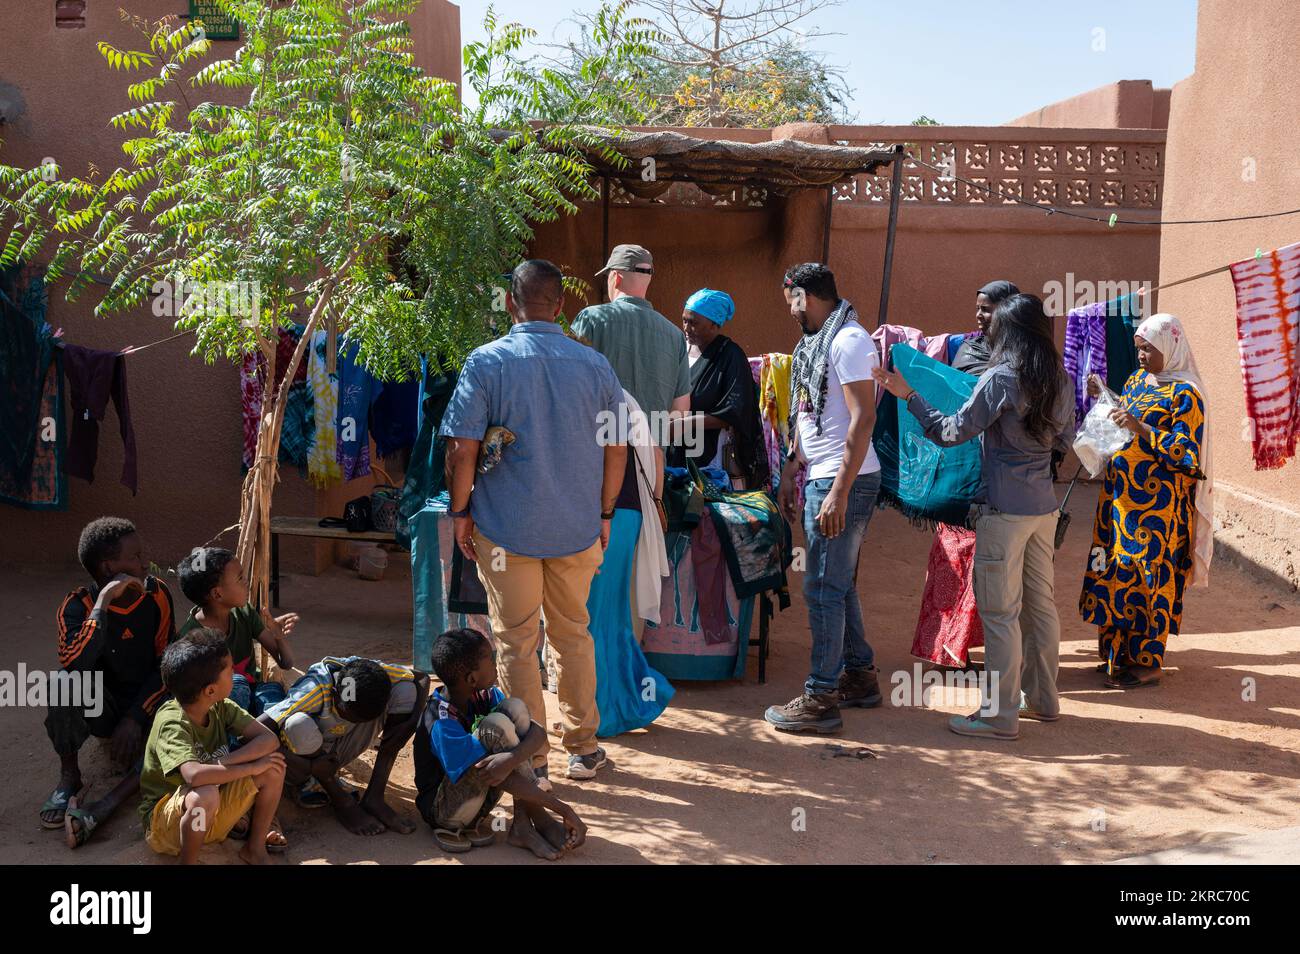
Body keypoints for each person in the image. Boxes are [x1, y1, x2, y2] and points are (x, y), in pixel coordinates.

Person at [441, 259, 627, 783]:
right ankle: (584, 749)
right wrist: (605, 512)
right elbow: (618, 449)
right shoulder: (595, 367)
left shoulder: (487, 362)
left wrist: (460, 513)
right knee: (573, 635)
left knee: (516, 643)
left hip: (506, 531)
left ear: (509, 304)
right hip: (576, 528)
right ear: (562, 305)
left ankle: (534, 761)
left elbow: (462, 449)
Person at [874, 293, 1075, 741]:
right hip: (1043, 508)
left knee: (1001, 614)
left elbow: (951, 432)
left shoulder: (1001, 378)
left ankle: (999, 716)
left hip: (1003, 511)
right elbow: (1067, 438)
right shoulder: (1059, 377)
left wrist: (910, 396)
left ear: (1011, 333)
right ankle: (1043, 699)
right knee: (1039, 606)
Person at [766, 263, 883, 734]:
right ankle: (858, 677)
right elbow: (810, 416)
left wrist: (838, 490)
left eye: (792, 301)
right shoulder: (817, 343)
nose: (791, 312)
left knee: (821, 586)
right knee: (839, 582)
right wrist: (794, 465)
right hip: (824, 474)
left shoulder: (848, 341)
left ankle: (820, 697)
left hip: (843, 481)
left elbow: (863, 418)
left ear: (806, 296)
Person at [1080, 312, 1211, 689]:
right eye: (1137, 348)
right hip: (1119, 502)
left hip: (1156, 512)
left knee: (1147, 577)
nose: (1139, 356)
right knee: (1115, 570)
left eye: (1147, 349)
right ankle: (1115, 654)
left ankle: (1148, 662)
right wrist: (1105, 394)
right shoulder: (1139, 381)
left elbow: (1187, 454)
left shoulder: (1186, 395)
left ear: (1169, 348)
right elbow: (1127, 413)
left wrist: (1140, 427)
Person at [42, 517, 176, 847]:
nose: (144, 563)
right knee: (62, 683)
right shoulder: (77, 605)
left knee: (178, 721)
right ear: (108, 568)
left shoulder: (157, 595)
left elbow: (166, 664)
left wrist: (136, 717)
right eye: (134, 557)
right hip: (104, 706)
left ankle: (104, 807)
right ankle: (70, 777)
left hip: (147, 703)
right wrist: (103, 603)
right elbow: (74, 662)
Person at [912, 280, 1019, 669]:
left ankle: (973, 650)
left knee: (986, 565)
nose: (979, 315)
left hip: (996, 477)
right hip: (959, 467)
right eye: (978, 307)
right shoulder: (969, 349)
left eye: (988, 309)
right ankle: (943, 648)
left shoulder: (1020, 358)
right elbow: (953, 401)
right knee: (951, 557)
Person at [414, 628, 586, 859]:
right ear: (472, 678)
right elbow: (490, 772)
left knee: (515, 709)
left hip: (480, 803)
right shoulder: (440, 719)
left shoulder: (484, 694)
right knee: (496, 725)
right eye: (490, 659)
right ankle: (538, 820)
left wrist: (512, 757)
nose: (496, 664)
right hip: (446, 811)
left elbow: (537, 733)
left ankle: (523, 825)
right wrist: (562, 809)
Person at [139, 629, 286, 863]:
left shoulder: (220, 706)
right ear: (210, 690)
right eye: (229, 670)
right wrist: (250, 767)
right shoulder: (172, 722)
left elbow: (269, 740)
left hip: (210, 815)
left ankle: (254, 848)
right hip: (169, 827)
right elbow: (195, 776)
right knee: (204, 795)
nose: (235, 671)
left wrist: (221, 763)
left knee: (273, 767)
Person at [259, 655, 429, 835]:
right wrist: (311, 766)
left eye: (362, 719)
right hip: (299, 762)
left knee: (405, 690)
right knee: (298, 724)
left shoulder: (369, 673)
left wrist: (412, 721)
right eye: (350, 715)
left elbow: (421, 678)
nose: (355, 721)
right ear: (334, 693)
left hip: (336, 751)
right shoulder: (312, 691)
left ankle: (375, 797)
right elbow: (251, 732)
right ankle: (341, 800)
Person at [667, 288, 769, 490]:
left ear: (714, 325)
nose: (687, 328)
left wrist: (685, 424)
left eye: (694, 323)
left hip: (711, 461)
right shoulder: (680, 351)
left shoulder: (730, 356)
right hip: (676, 452)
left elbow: (735, 412)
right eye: (684, 320)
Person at [175, 547, 294, 716]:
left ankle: (266, 729)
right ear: (217, 594)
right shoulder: (192, 638)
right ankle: (248, 734)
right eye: (240, 578)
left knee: (272, 692)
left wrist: (279, 637)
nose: (246, 582)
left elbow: (286, 662)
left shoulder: (244, 613)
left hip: (256, 692)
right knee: (238, 685)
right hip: (221, 705)